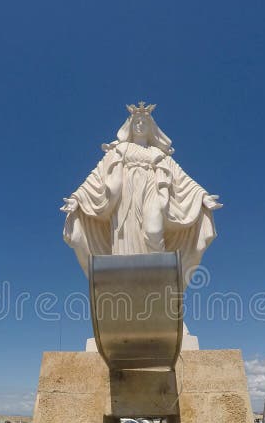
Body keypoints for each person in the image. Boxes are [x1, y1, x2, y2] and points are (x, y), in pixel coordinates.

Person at [61, 102, 222, 286]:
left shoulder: (158, 153)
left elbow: (181, 178)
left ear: (150, 128)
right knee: (125, 242)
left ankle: (160, 281)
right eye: (136, 122)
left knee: (153, 231)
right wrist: (77, 198)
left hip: (152, 193)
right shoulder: (119, 150)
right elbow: (97, 175)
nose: (139, 125)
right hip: (124, 199)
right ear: (130, 126)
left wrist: (202, 196)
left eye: (143, 122)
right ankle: (125, 282)